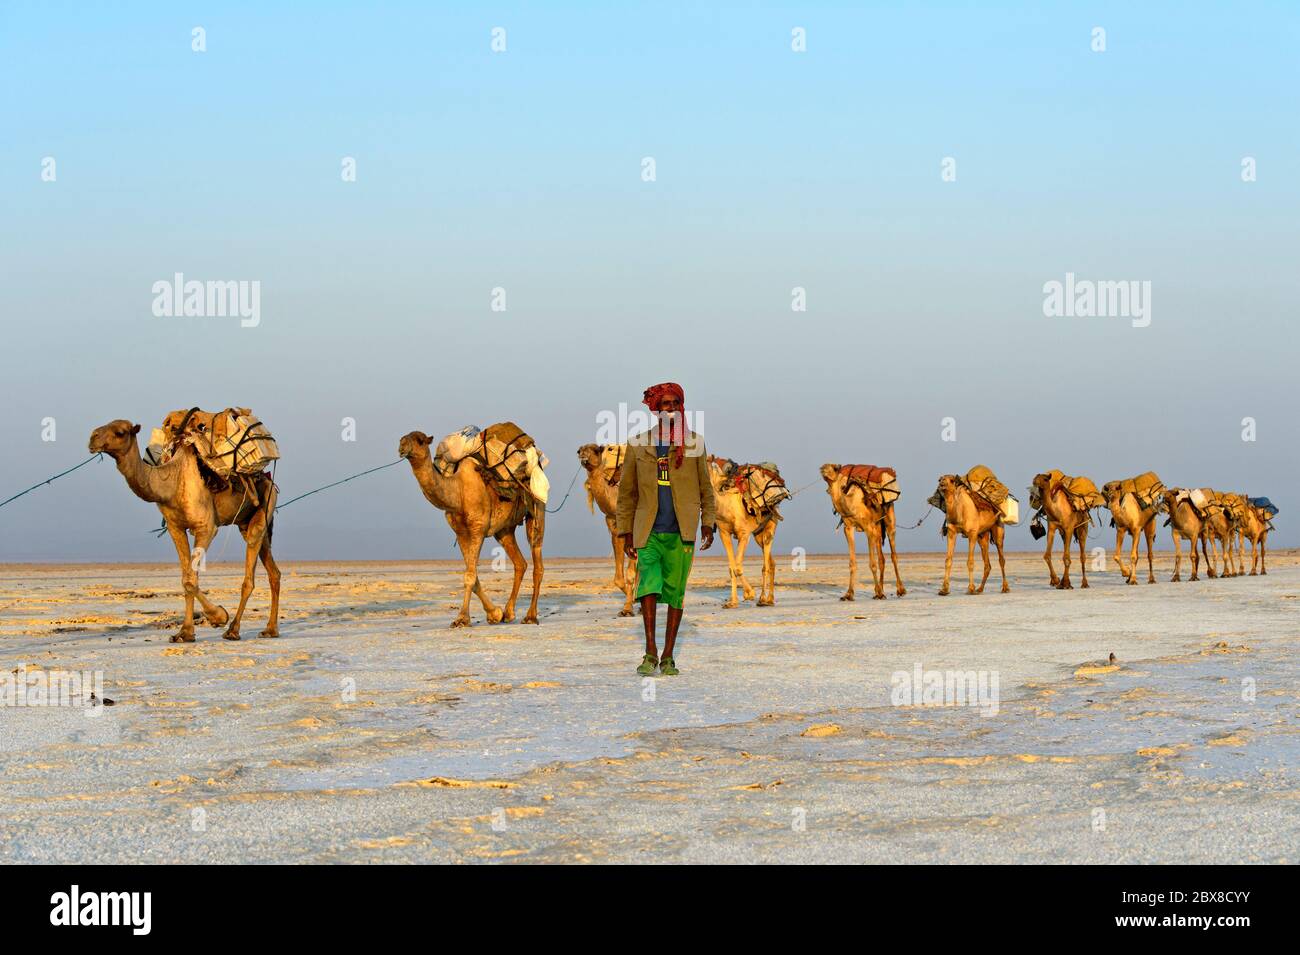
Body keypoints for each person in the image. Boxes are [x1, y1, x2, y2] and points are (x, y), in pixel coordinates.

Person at [615, 382, 716, 676]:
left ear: (680, 407)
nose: (669, 409)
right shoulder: (638, 444)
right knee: (647, 587)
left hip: (681, 532)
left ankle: (669, 656)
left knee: (675, 593)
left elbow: (706, 489)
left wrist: (708, 523)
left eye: (674, 404)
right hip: (647, 530)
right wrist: (625, 532)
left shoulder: (694, 444)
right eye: (664, 405)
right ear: (656, 410)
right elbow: (627, 493)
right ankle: (650, 651)